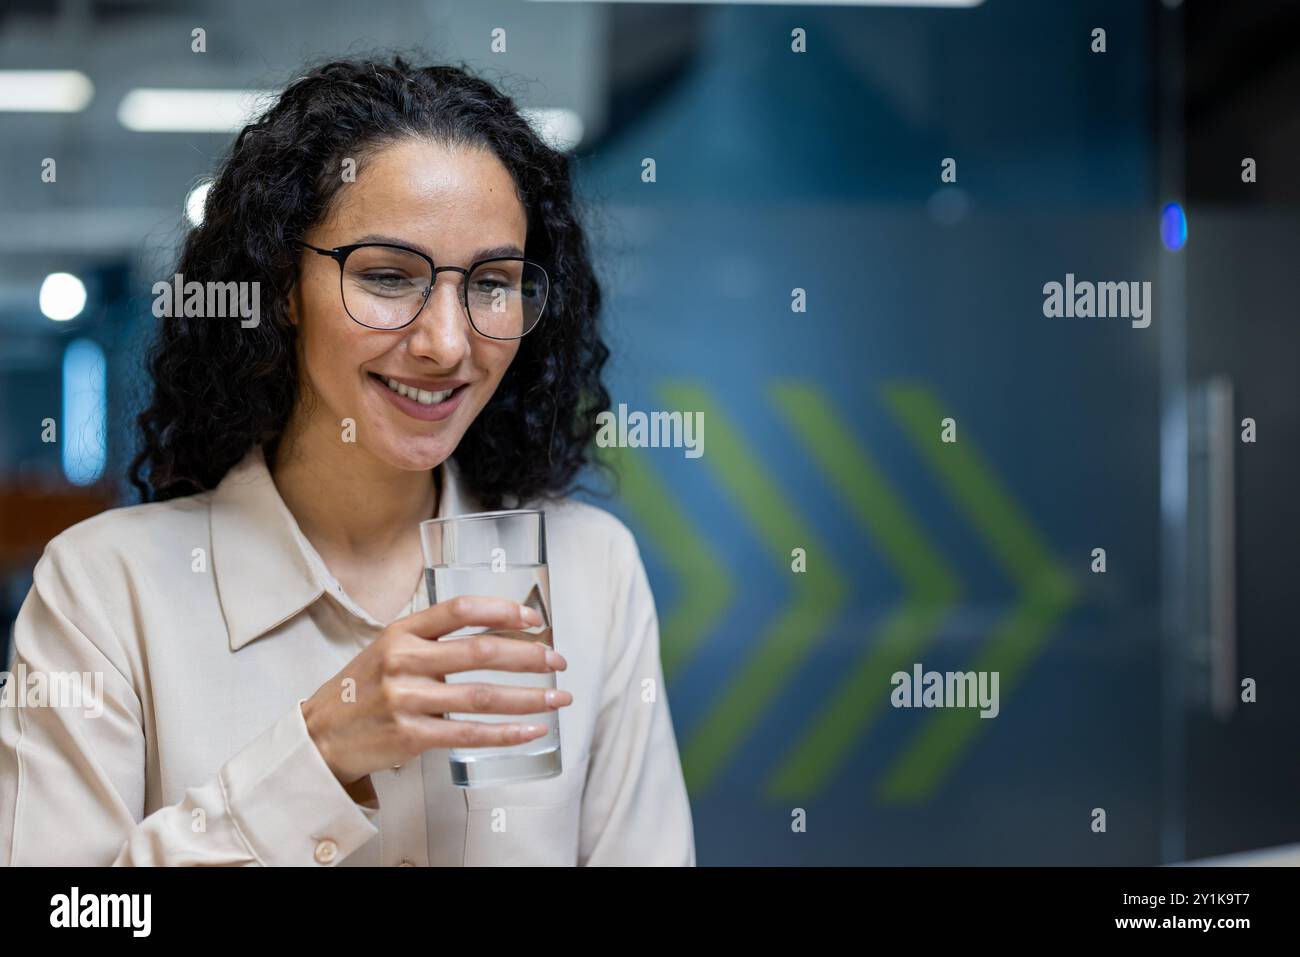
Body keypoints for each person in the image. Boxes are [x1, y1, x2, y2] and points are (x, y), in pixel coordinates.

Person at [0, 56, 695, 867]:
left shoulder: (589, 570)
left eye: (493, 283)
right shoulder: (104, 589)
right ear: (283, 285)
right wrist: (318, 753)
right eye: (388, 276)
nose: (446, 343)